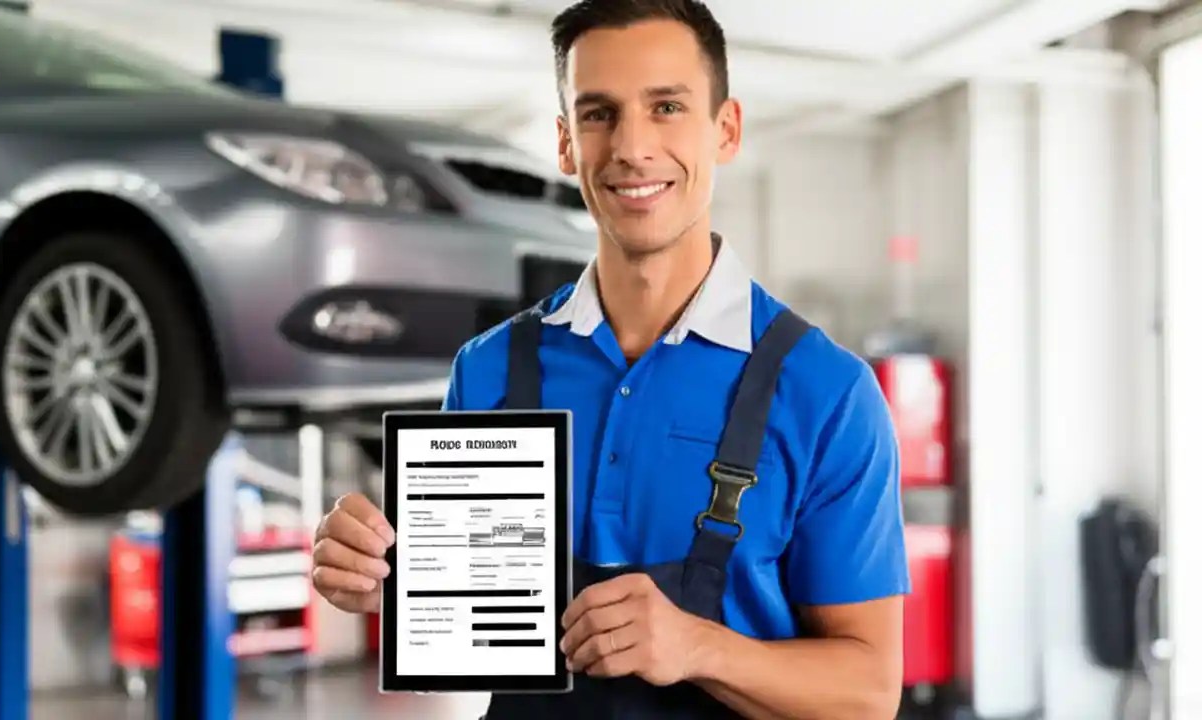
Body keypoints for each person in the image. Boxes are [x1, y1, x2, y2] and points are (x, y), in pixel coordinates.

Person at [311, 1, 910, 718]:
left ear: (725, 129)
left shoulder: (828, 394)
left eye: (666, 107)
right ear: (566, 145)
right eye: (598, 114)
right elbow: (467, 628)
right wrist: (383, 573)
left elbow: (869, 693)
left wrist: (698, 648)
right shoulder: (490, 369)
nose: (631, 146)